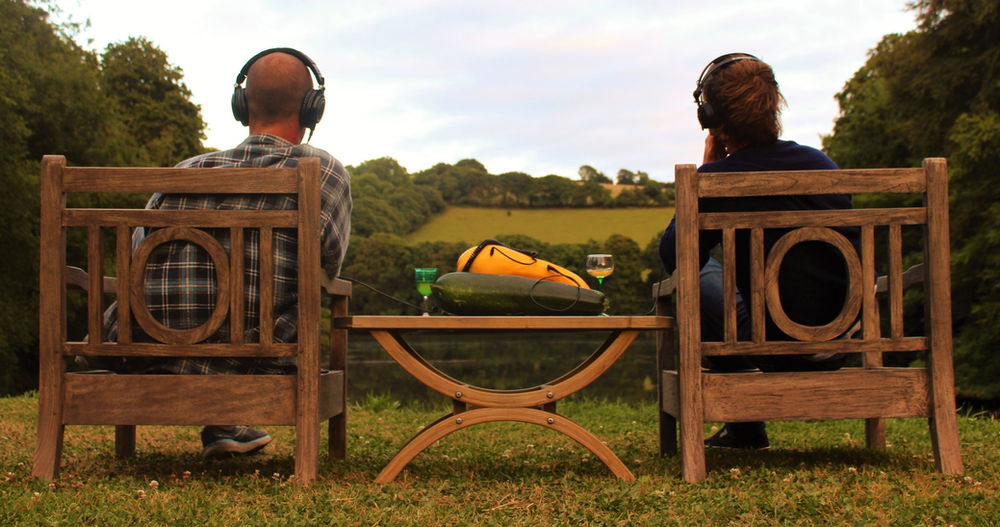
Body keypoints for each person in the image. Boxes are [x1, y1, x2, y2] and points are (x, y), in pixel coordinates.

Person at [101, 48, 352, 458]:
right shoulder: (324, 173)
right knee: (268, 308)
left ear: (241, 105)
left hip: (153, 352)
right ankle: (226, 423)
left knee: (197, 304)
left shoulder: (183, 173)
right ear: (312, 110)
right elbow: (327, 270)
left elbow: (137, 264)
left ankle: (224, 427)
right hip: (260, 357)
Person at [658, 53, 859, 450]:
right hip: (845, 337)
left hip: (768, 342)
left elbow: (676, 259)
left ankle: (747, 429)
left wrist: (707, 176)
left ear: (710, 117)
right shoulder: (821, 165)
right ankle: (744, 429)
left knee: (697, 277)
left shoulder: (719, 179)